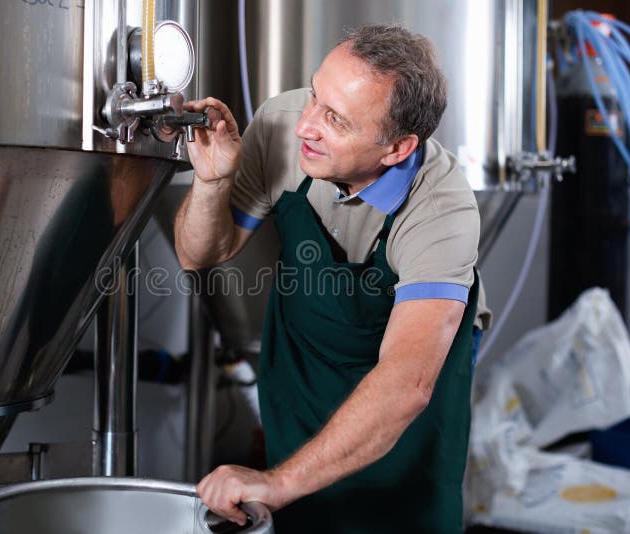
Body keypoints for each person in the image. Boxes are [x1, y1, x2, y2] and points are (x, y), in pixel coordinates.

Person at [175, 24, 484, 533]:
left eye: (335, 119)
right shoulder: (283, 121)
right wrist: (212, 182)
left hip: (404, 392)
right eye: (316, 95)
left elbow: (406, 382)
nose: (305, 126)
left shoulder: (441, 209)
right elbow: (200, 253)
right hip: (303, 366)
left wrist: (277, 483)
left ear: (397, 149)